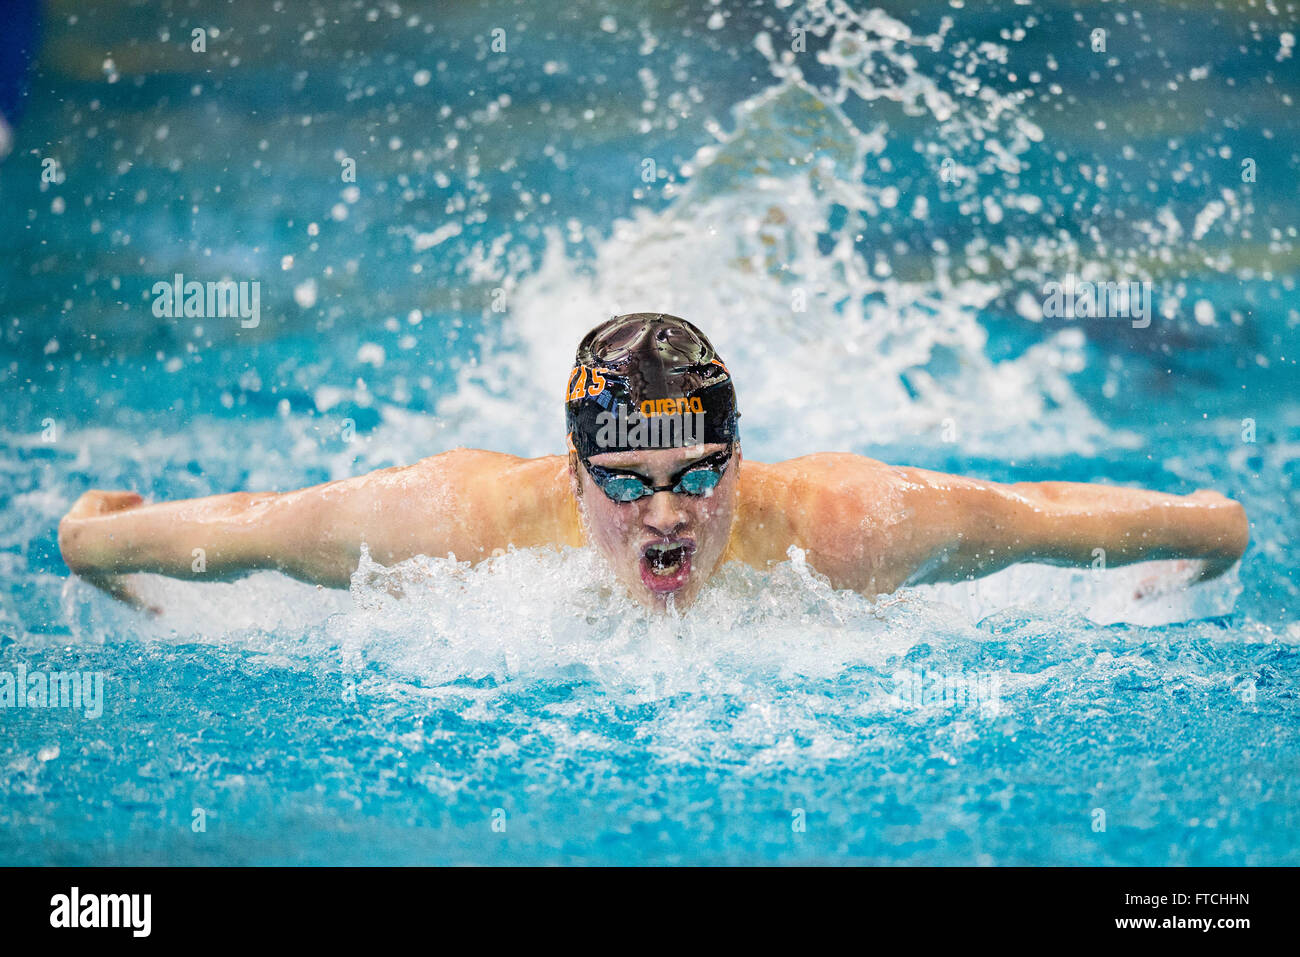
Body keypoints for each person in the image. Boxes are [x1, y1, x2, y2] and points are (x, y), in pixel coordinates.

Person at [58, 313, 1249, 613]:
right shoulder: (451, 521)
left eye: (697, 475)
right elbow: (258, 522)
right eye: (626, 482)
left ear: (743, 462)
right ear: (570, 477)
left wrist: (1196, 541)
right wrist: (97, 540)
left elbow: (1045, 513)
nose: (666, 515)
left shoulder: (855, 526)